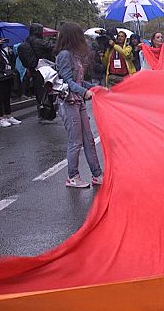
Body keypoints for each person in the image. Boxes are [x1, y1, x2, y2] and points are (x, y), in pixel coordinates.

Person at [54, 22, 103, 188]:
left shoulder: (74, 55)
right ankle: (72, 176)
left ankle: (97, 174)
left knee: (89, 139)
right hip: (69, 102)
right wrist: (84, 92)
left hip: (78, 101)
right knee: (75, 141)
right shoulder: (64, 55)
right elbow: (67, 81)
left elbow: (79, 80)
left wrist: (94, 88)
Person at [18, 23, 55, 120]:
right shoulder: (38, 41)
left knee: (39, 92)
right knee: (46, 91)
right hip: (43, 69)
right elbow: (52, 47)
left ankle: (41, 113)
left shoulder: (28, 40)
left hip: (34, 70)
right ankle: (47, 114)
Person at [0, 33, 22, 128]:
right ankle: (1, 118)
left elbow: (8, 61)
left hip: (6, 75)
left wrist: (10, 54)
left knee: (7, 97)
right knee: (0, 98)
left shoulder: (2, 50)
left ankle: (8, 115)